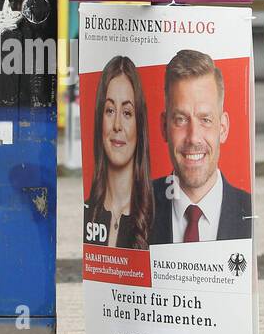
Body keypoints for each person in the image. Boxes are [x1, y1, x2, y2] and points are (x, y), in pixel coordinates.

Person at [150, 49, 251, 244]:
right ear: (164, 127)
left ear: (222, 128)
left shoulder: (251, 212)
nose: (193, 137)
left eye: (205, 120)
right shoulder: (134, 209)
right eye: (180, 119)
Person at [84, 55, 154, 250]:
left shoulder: (159, 219)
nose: (117, 125)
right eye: (109, 110)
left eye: (127, 113)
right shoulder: (87, 212)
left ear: (139, 124)